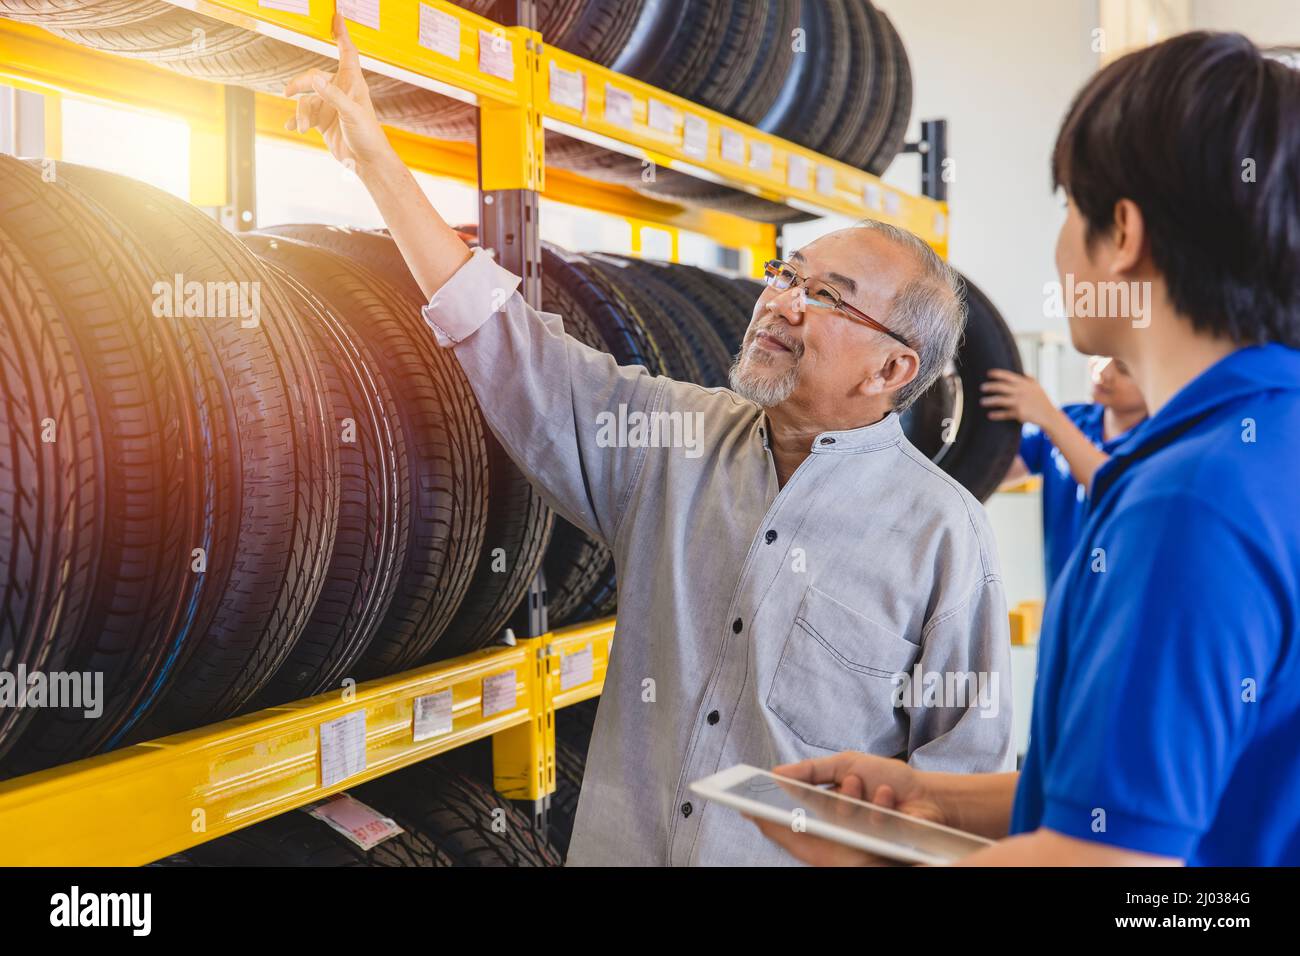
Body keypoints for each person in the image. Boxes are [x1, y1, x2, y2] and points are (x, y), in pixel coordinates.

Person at [285, 15, 1012, 866]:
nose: (781, 301)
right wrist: (373, 156)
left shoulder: (943, 536)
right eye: (786, 274)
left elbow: (956, 805)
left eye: (828, 296)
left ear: (893, 369)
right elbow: (508, 345)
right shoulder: (675, 443)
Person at [755, 30, 1300, 866]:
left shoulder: (1191, 502)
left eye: (1069, 210)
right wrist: (931, 799)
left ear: (1122, 233)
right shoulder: (1263, 448)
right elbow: (1146, 801)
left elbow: (1114, 868)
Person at [981, 357, 1147, 590]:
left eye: (1122, 368)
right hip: (1063, 608)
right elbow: (989, 471)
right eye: (1100, 355)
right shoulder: (1073, 419)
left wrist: (1047, 415)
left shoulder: (1163, 443)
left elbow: (1113, 490)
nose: (1102, 372)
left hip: (1123, 606)